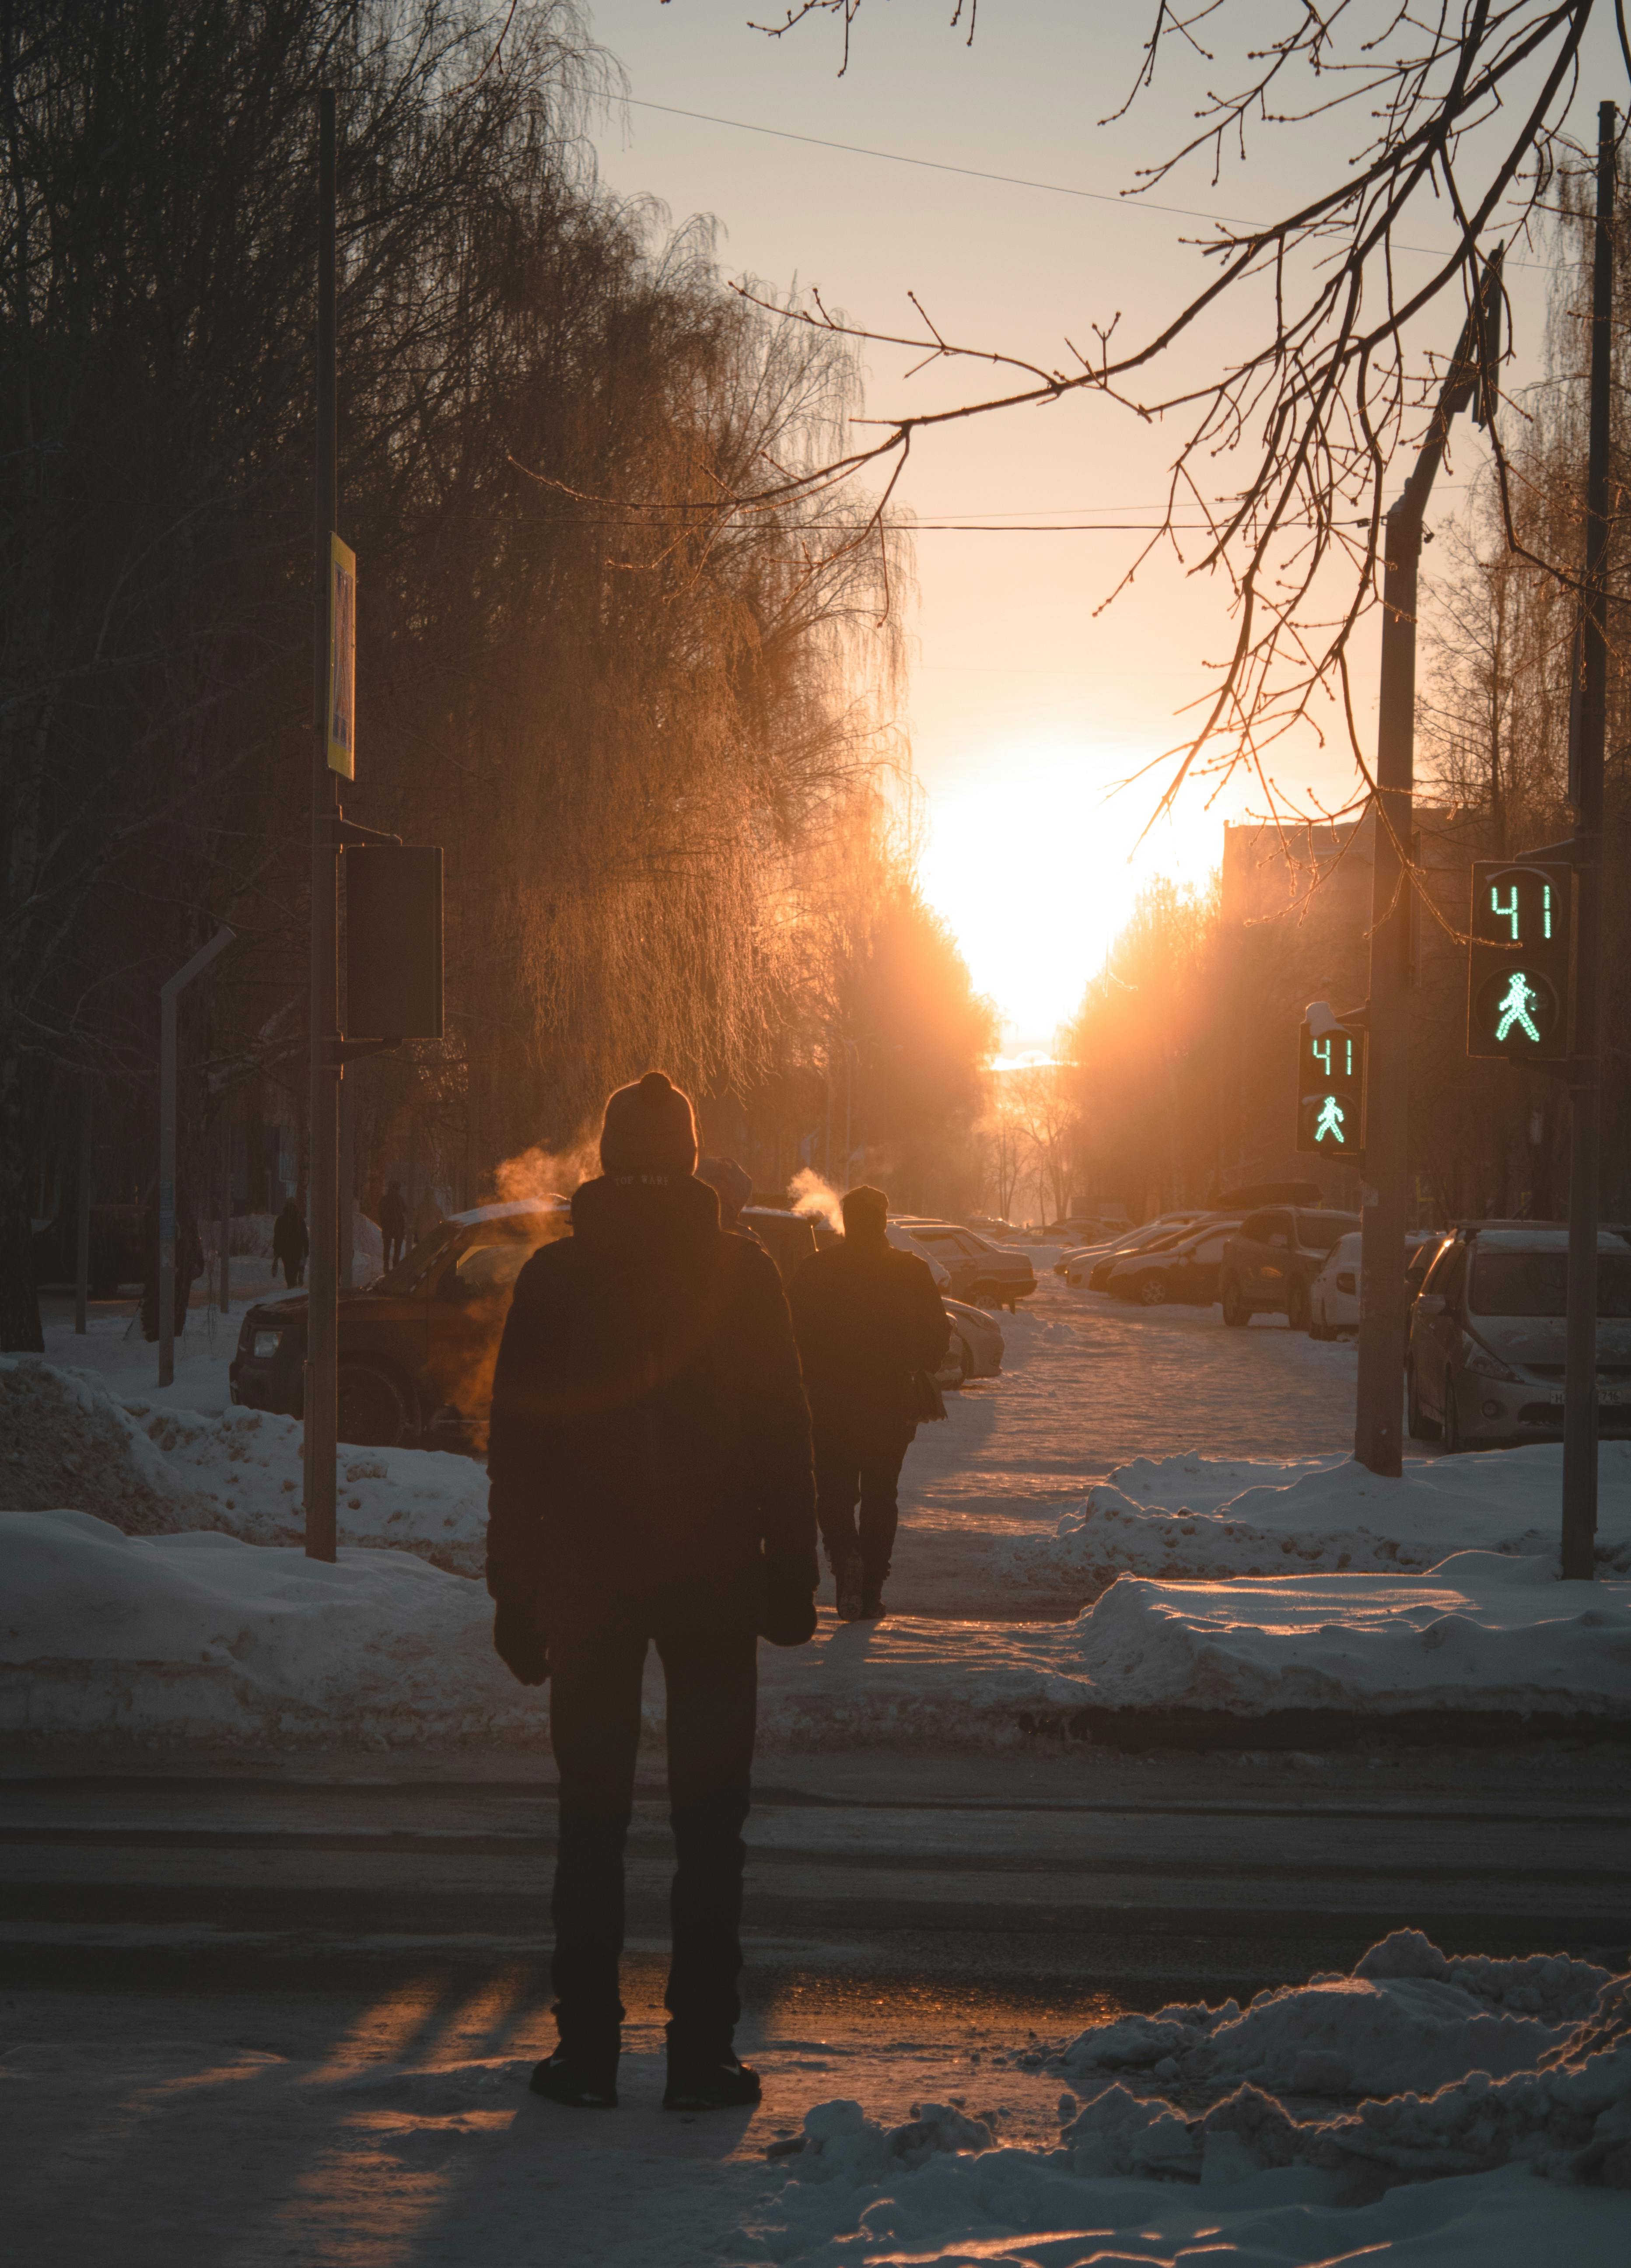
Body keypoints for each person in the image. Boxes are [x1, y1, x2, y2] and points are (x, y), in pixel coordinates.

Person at [485, 1070, 818, 2115]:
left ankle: (585, 2054)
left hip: (587, 1575)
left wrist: (515, 1590)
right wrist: (790, 1571)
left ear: (603, 1160)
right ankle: (700, 2057)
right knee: (709, 1823)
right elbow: (783, 1434)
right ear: (687, 1161)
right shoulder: (741, 1271)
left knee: (590, 1819)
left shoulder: (554, 1280)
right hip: (714, 1574)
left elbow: (518, 1450)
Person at [787, 1185, 949, 1622]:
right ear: (882, 1220)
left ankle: (845, 1563)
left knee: (835, 1492)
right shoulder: (910, 1269)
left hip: (829, 1401)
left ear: (845, 1220)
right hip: (890, 1401)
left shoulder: (815, 1268)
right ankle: (872, 1585)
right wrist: (916, 1363)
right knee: (881, 1492)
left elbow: (790, 1333)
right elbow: (937, 1333)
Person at [272, 1197, 308, 1289]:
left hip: (285, 1249)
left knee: (288, 1267)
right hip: (297, 1248)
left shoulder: (281, 1220)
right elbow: (305, 1236)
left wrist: (276, 1250)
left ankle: (290, 1284)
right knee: (295, 1266)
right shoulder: (299, 1220)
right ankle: (295, 1281)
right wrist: (306, 1248)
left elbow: (277, 1236)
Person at [379, 1179, 408, 1269]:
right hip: (396, 1227)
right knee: (395, 1248)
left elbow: (381, 1213)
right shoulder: (398, 1199)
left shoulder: (386, 1199)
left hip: (390, 1227)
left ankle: (387, 1265)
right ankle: (393, 1265)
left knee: (388, 1248)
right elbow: (405, 1210)